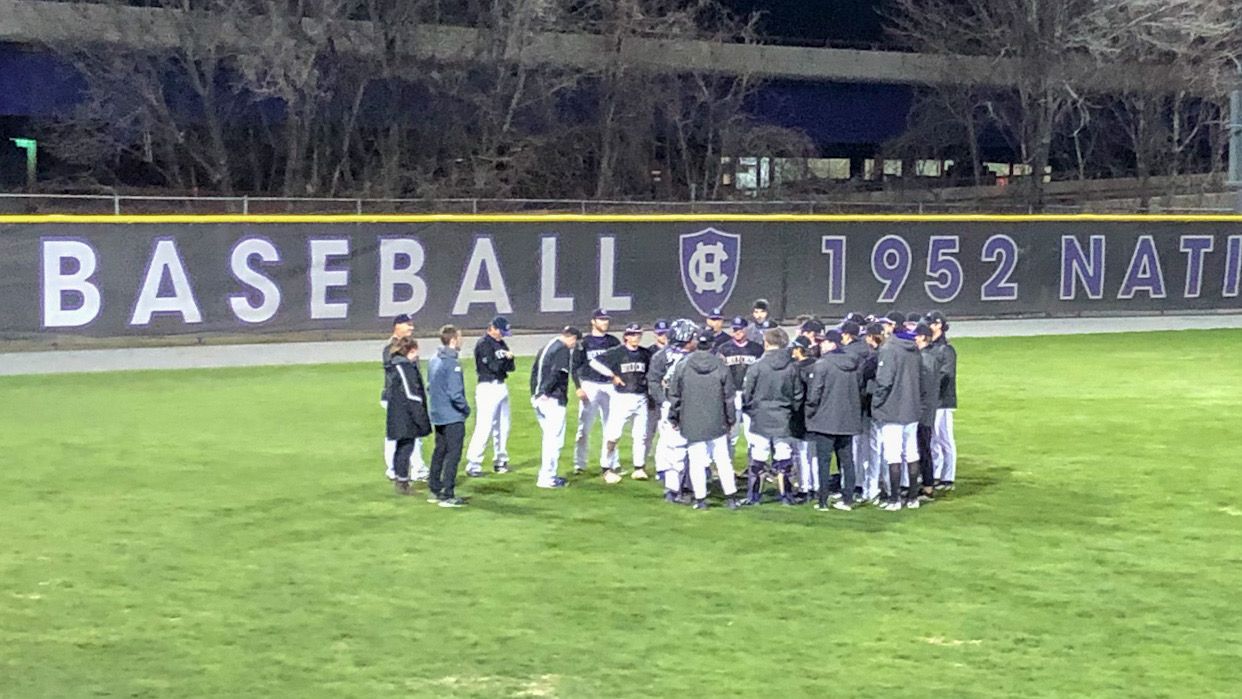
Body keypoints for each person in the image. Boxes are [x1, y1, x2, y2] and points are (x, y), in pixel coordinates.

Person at [667, 327, 740, 510]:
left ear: (696, 343)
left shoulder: (683, 364)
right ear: (712, 344)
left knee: (696, 461)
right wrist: (731, 420)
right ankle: (731, 497)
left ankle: (700, 500)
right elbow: (728, 396)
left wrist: (674, 418)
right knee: (723, 460)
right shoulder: (720, 365)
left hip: (691, 421)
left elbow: (675, 395)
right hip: (717, 420)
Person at [741, 327, 804, 505]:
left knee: (759, 455)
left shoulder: (757, 366)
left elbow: (747, 394)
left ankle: (754, 497)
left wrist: (752, 410)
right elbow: (798, 394)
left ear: (766, 343)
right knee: (784, 455)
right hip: (783, 416)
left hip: (760, 416)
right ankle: (787, 496)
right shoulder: (792, 367)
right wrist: (791, 410)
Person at [804, 328, 863, 511]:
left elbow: (815, 394)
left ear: (832, 343)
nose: (821, 344)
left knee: (824, 461)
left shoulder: (822, 364)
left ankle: (822, 501)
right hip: (848, 419)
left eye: (824, 342)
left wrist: (810, 411)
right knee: (847, 460)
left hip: (825, 420)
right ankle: (848, 500)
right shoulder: (854, 363)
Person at [590, 323, 653, 483]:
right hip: (622, 398)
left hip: (641, 397)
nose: (635, 337)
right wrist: (612, 375)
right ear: (626, 336)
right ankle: (606, 467)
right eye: (632, 334)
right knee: (613, 434)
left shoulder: (645, 353)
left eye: (638, 334)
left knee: (641, 435)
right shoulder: (617, 352)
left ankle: (639, 467)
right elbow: (594, 362)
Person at [872, 316, 923, 512]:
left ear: (892, 327)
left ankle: (894, 499)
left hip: (892, 409)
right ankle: (912, 497)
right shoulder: (914, 348)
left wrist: (876, 403)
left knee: (892, 455)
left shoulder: (888, 348)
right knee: (911, 452)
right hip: (912, 408)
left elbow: (884, 382)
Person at [648, 319, 697, 494]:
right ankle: (673, 487)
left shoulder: (694, 357)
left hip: (691, 407)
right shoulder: (661, 357)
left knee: (692, 448)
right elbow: (653, 382)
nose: (695, 340)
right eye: (693, 336)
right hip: (672, 408)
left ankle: (688, 483)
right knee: (673, 448)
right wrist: (665, 403)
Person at [530, 326, 582, 489]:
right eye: (575, 342)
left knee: (550, 439)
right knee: (554, 441)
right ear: (572, 338)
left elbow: (534, 372)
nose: (574, 346)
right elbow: (557, 374)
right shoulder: (562, 350)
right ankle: (547, 478)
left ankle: (547, 475)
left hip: (539, 399)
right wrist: (546, 392)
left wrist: (536, 394)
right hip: (551, 400)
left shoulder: (548, 346)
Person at [465, 316, 516, 477]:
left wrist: (507, 359)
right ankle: (473, 464)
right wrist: (505, 359)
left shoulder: (500, 343)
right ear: (492, 328)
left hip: (501, 386)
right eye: (501, 331)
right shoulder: (483, 344)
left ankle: (500, 461)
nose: (502, 335)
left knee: (503, 426)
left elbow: (511, 367)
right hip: (487, 387)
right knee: (484, 426)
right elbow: (493, 366)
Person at [572, 309, 621, 475]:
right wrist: (578, 387)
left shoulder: (613, 342)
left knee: (612, 427)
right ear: (593, 321)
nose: (605, 322)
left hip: (609, 386)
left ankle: (611, 462)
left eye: (606, 319)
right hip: (590, 385)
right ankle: (580, 463)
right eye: (601, 319)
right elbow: (574, 366)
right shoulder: (584, 342)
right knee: (584, 427)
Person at [426, 325, 470, 508]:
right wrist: (465, 409)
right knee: (453, 454)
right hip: (452, 416)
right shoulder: (452, 363)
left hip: (438, 414)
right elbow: (455, 394)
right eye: (460, 337)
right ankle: (447, 493)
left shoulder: (434, 359)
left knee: (439, 451)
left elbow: (430, 386)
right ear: (453, 340)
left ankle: (435, 488)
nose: (461, 340)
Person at [383, 314, 428, 482]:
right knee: (397, 435)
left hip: (406, 395)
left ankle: (416, 468)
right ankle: (394, 469)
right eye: (408, 325)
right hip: (396, 397)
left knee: (408, 434)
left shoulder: (407, 346)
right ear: (397, 326)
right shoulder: (391, 348)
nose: (411, 327)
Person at [386, 336, 432, 495]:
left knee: (402, 447)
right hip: (406, 415)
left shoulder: (397, 364)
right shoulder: (404, 367)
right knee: (406, 448)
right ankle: (403, 482)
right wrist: (421, 417)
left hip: (400, 413)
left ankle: (401, 480)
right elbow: (411, 394)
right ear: (411, 351)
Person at [715, 316, 764, 460]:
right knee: (732, 433)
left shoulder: (757, 349)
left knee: (753, 434)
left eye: (740, 329)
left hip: (751, 394)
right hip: (732, 394)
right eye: (735, 329)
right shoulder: (724, 348)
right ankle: (727, 466)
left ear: (746, 329)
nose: (738, 332)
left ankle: (753, 468)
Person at [923, 311, 958, 491]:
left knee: (945, 439)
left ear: (938, 325)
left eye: (930, 323)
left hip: (943, 401)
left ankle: (948, 477)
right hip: (932, 401)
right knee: (932, 440)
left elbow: (946, 375)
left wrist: (931, 390)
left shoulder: (946, 349)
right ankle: (936, 474)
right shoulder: (930, 348)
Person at [857, 322, 886, 505]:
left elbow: (865, 381)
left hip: (873, 408)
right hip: (882, 408)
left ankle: (872, 489)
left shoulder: (874, 358)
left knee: (874, 450)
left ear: (870, 337)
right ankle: (881, 487)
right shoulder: (885, 354)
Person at [789, 335, 819, 502]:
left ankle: (804, 487)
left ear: (799, 350)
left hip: (800, 415)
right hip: (816, 414)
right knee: (814, 454)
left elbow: (796, 395)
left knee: (801, 454)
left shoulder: (794, 368)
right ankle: (817, 487)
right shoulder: (818, 365)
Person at [914, 323, 941, 501]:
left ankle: (928, 488)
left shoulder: (925, 359)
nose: (914, 338)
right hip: (927, 408)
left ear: (924, 337)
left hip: (923, 410)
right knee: (924, 449)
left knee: (923, 449)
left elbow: (924, 387)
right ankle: (926, 485)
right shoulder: (930, 356)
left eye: (916, 335)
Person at [643, 319, 671, 474]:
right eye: (661, 333)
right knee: (648, 433)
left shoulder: (675, 351)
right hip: (653, 399)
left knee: (666, 434)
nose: (664, 336)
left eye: (666, 333)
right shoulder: (648, 352)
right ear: (655, 334)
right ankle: (641, 464)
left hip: (669, 398)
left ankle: (663, 466)